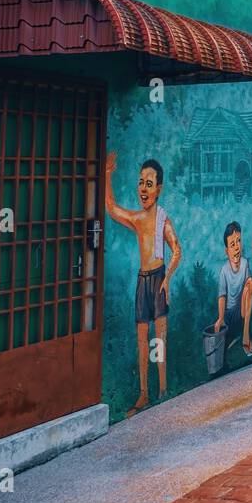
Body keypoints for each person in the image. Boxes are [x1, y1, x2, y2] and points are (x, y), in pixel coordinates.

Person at [106, 153, 181, 417]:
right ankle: (144, 394)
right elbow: (112, 209)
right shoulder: (138, 220)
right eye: (141, 182)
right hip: (142, 281)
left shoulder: (163, 219)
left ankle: (161, 390)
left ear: (159, 189)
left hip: (158, 278)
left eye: (149, 184)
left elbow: (177, 250)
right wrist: (106, 175)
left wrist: (168, 279)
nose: (143, 189)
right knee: (142, 340)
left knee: (158, 339)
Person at [214, 221, 252, 357]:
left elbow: (249, 282)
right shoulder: (224, 271)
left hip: (242, 309)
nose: (237, 247)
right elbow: (222, 296)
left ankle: (245, 336)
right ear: (227, 251)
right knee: (248, 288)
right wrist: (220, 318)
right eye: (232, 244)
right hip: (230, 314)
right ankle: (242, 336)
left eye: (239, 241)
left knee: (250, 285)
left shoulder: (245, 263)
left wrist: (250, 282)